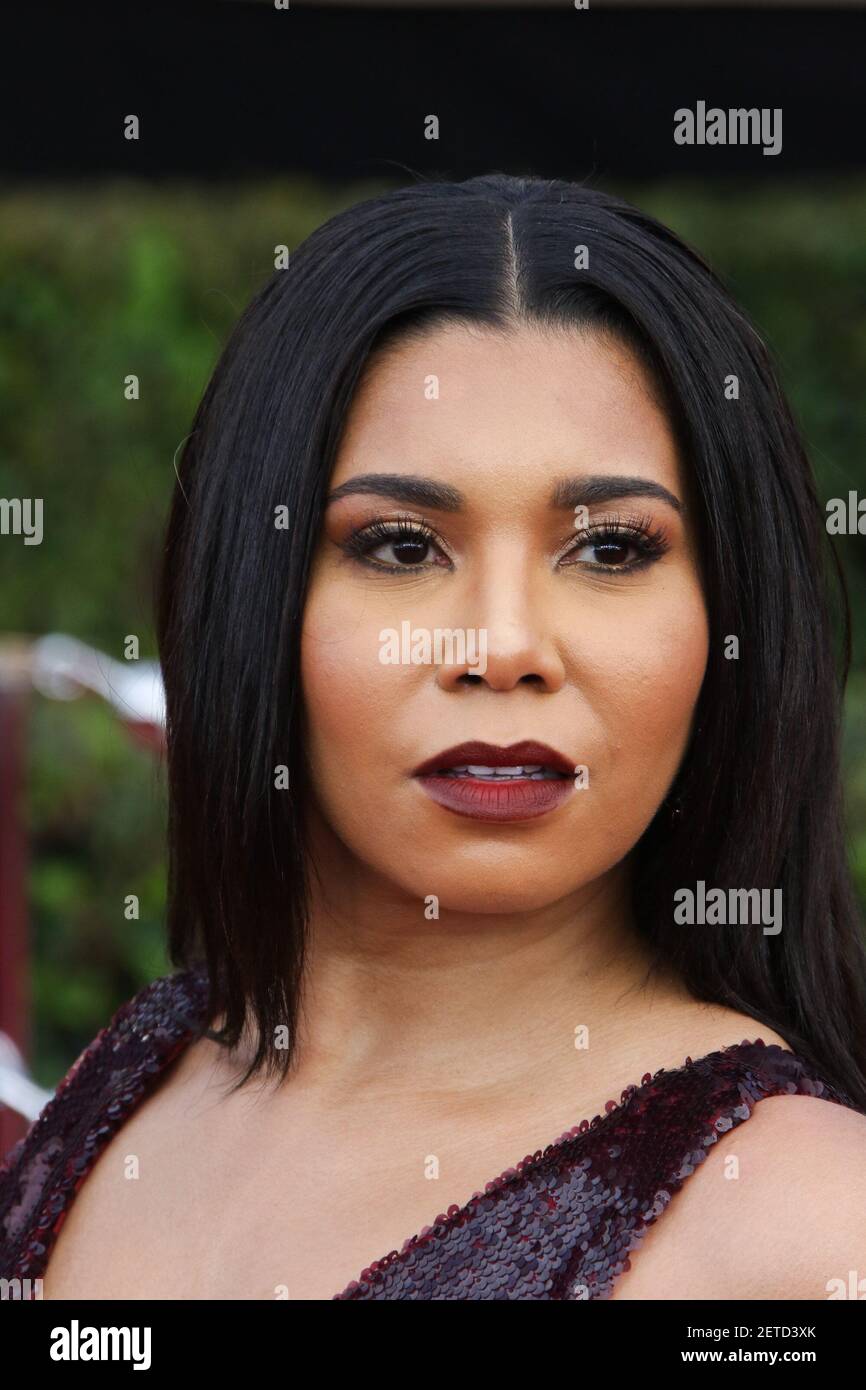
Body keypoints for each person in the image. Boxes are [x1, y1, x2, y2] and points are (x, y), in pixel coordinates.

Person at [3, 173, 866, 1300]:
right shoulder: (131, 1080)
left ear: (733, 615)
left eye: (610, 549)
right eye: (402, 547)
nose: (502, 647)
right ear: (249, 593)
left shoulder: (809, 1228)